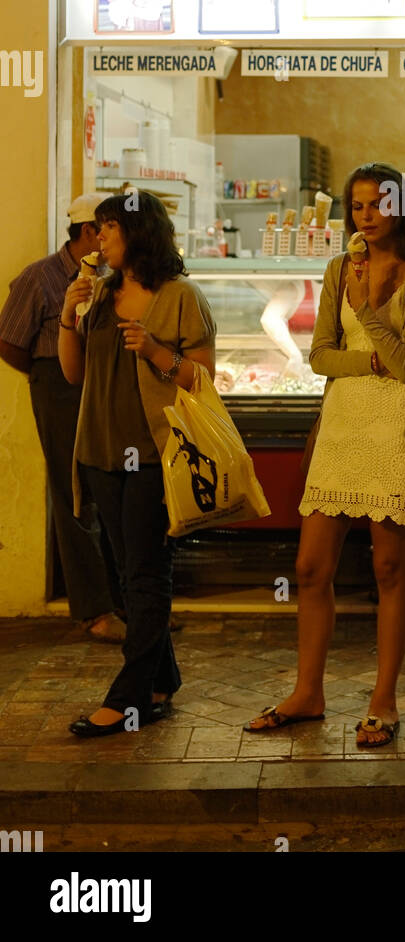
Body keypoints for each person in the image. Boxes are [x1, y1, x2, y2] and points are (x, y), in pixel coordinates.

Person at [245, 163, 405, 749]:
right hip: (342, 421)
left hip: (397, 426)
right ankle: (309, 693)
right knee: (310, 568)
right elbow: (322, 358)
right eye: (357, 207)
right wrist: (371, 355)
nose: (366, 215)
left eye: (377, 204)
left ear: (400, 207)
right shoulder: (337, 268)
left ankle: (383, 700)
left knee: (387, 567)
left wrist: (370, 311)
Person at [58, 190, 216, 738]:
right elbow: (73, 375)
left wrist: (153, 351)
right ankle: (161, 681)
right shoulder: (99, 293)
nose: (98, 239)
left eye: (108, 229)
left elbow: (203, 378)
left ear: (138, 233)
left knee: (147, 575)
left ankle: (128, 698)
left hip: (154, 454)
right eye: (97, 230)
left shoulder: (180, 297)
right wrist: (65, 316)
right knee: (126, 578)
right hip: (100, 450)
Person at [0, 192, 124, 643]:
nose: (113, 236)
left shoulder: (115, 275)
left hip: (105, 385)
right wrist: (46, 375)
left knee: (113, 490)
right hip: (57, 386)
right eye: (108, 227)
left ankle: (131, 603)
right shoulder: (40, 277)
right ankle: (94, 610)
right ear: (89, 231)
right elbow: (10, 341)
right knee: (74, 497)